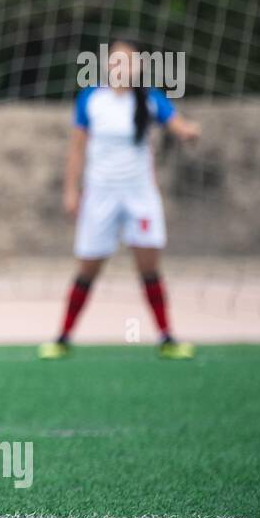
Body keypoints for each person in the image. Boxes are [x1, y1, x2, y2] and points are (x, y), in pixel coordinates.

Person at [39, 38, 201, 360]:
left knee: (149, 268)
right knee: (87, 269)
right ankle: (63, 337)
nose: (120, 67)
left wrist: (189, 132)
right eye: (115, 60)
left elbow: (178, 126)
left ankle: (167, 338)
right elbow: (76, 150)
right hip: (100, 196)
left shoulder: (151, 99)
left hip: (140, 197)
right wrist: (71, 191)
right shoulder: (91, 99)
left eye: (128, 61)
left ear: (139, 67)